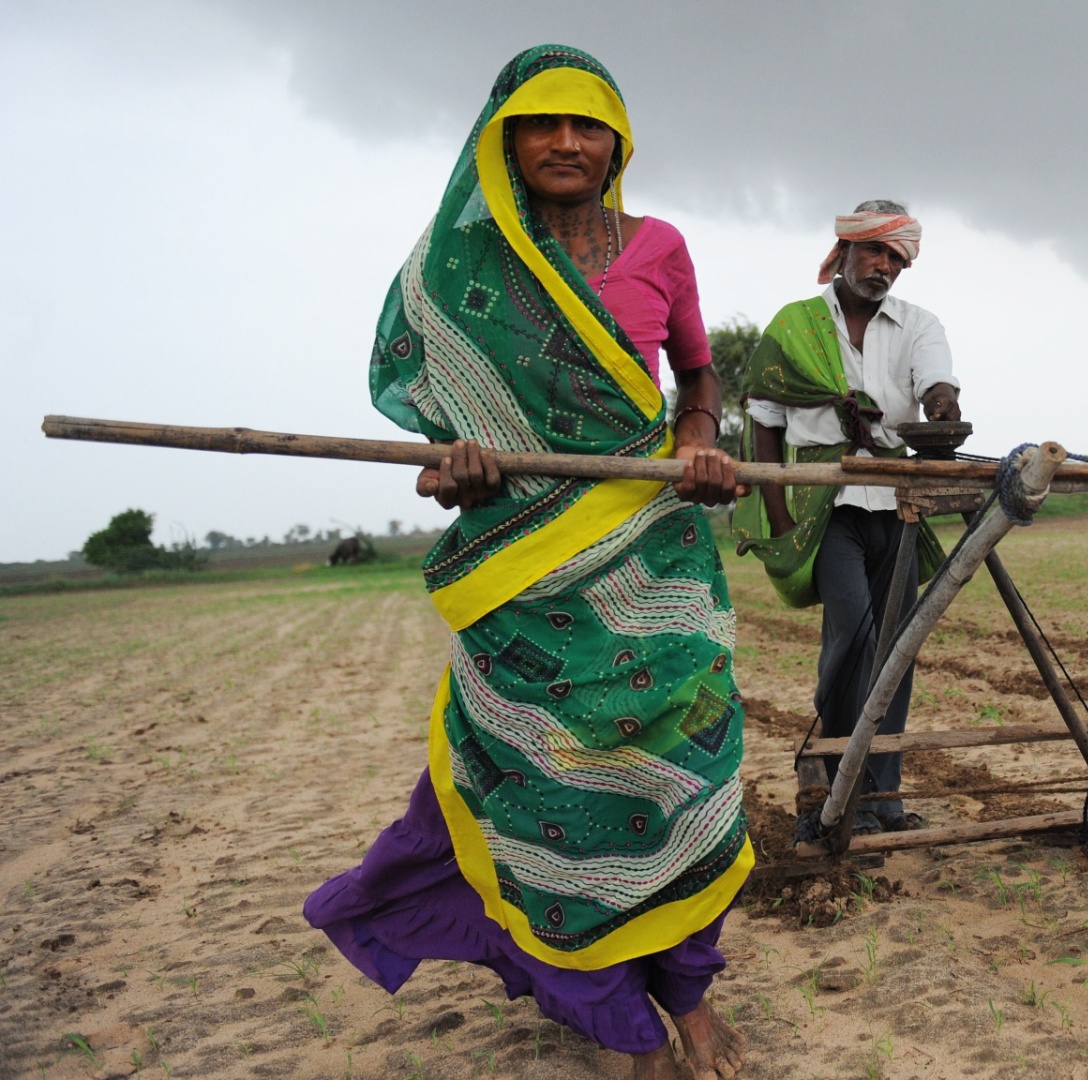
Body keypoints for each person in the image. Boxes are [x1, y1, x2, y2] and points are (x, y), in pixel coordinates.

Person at [304, 45, 750, 1080]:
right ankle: (629, 1024)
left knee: (684, 773)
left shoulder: (661, 246)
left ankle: (690, 1000)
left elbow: (696, 371)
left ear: (617, 143)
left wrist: (696, 441)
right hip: (526, 585)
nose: (563, 142)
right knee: (551, 795)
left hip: (655, 554)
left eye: (585, 124)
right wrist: (455, 467)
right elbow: (439, 459)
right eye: (540, 124)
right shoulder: (456, 275)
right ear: (502, 140)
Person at [734, 202, 961, 840]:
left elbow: (938, 382)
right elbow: (765, 422)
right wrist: (779, 516)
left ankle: (883, 800)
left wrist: (943, 405)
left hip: (896, 502)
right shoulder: (796, 325)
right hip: (822, 506)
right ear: (843, 252)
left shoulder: (918, 324)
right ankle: (839, 784)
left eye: (896, 257)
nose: (883, 266)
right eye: (874, 252)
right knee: (855, 635)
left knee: (897, 647)